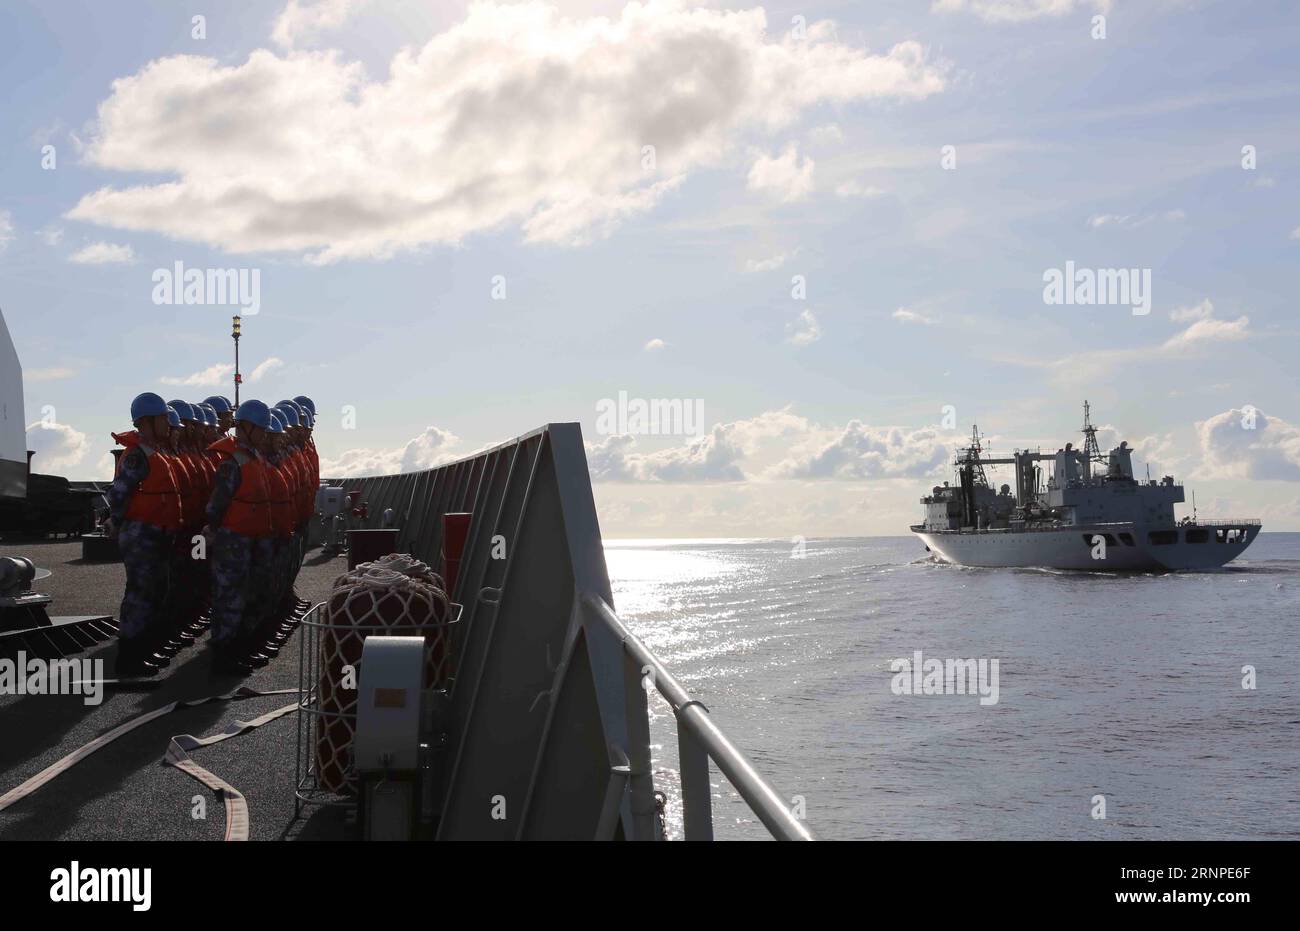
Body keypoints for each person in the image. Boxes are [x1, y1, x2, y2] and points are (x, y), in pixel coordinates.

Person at [106, 393, 183, 677]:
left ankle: (143, 651)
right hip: (142, 536)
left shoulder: (155, 451)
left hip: (158, 534)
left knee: (155, 594)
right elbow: (119, 493)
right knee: (140, 595)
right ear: (146, 422)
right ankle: (128, 660)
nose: (167, 422)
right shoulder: (137, 455)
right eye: (162, 418)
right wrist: (116, 522)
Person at [205, 399, 276, 675]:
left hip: (252, 540)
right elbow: (217, 503)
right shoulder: (232, 462)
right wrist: (214, 529)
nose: (263, 434)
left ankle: (238, 651)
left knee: (248, 596)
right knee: (229, 599)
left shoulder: (254, 457)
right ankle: (223, 657)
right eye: (259, 429)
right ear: (245, 428)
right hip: (233, 541)